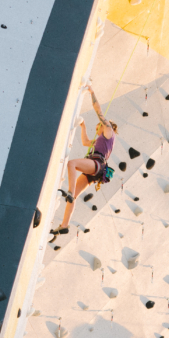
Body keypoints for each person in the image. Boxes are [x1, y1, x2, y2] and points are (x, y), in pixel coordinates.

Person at [51, 85, 117, 235]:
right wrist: (83, 126)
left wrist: (92, 92)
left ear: (103, 126)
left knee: (72, 164)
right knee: (73, 197)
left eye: (97, 127)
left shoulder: (108, 131)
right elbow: (86, 142)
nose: (96, 130)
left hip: (97, 166)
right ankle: (64, 225)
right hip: (95, 168)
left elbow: (98, 110)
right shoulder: (100, 140)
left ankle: (69, 190)